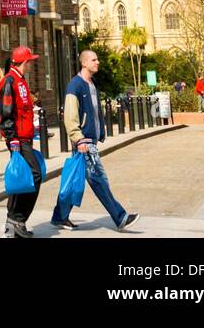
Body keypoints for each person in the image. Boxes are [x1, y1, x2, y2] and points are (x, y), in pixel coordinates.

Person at [51, 51, 139, 233]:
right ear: (84, 63)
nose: (97, 62)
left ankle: (59, 217)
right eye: (94, 60)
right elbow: (70, 116)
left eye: (97, 59)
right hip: (84, 142)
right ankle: (120, 217)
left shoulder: (92, 84)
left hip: (91, 140)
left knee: (76, 178)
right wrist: (78, 138)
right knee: (99, 180)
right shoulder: (74, 86)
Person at [0, 45, 43, 239]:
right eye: (30, 61)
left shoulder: (20, 80)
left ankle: (14, 222)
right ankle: (17, 218)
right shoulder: (10, 80)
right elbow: (6, 112)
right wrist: (12, 139)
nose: (31, 65)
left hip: (25, 137)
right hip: (18, 138)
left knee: (22, 178)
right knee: (34, 175)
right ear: (24, 62)